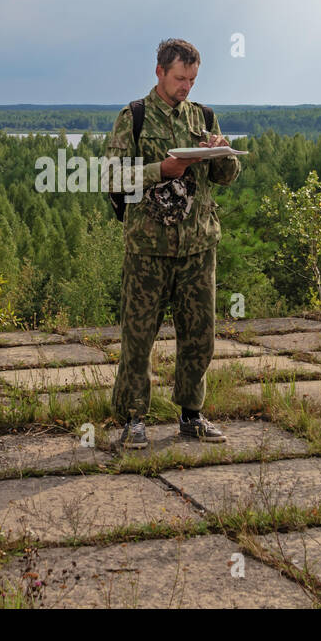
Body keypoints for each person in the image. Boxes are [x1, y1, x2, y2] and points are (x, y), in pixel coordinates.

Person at [105, 38, 240, 449]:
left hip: (198, 247)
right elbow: (111, 177)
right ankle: (132, 420)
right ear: (160, 72)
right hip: (149, 249)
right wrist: (160, 169)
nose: (187, 87)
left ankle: (191, 415)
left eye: (193, 79)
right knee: (138, 338)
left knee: (200, 336)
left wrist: (221, 154)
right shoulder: (135, 117)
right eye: (181, 78)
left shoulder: (203, 117)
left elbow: (227, 177)